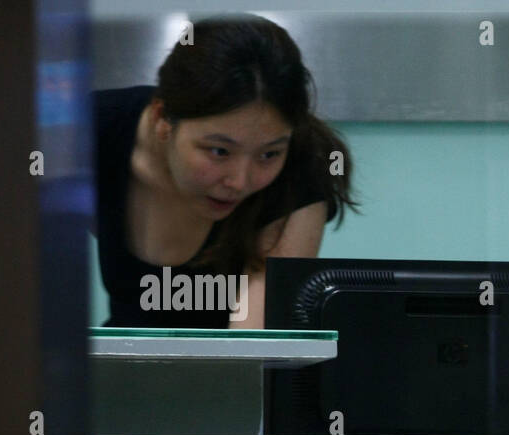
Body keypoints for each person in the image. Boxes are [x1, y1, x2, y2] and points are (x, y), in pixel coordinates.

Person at [93, 14, 357, 328]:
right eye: (219, 151)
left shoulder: (301, 167)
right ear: (163, 119)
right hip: (116, 364)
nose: (240, 181)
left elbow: (253, 350)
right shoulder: (91, 132)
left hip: (230, 370)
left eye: (269, 154)